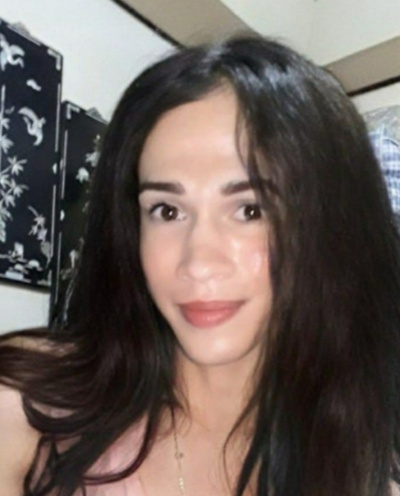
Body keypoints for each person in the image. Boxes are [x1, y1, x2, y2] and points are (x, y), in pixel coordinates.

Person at [1, 34, 400, 496]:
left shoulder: (365, 470)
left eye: (251, 209)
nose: (198, 263)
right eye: (167, 210)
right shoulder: (26, 410)